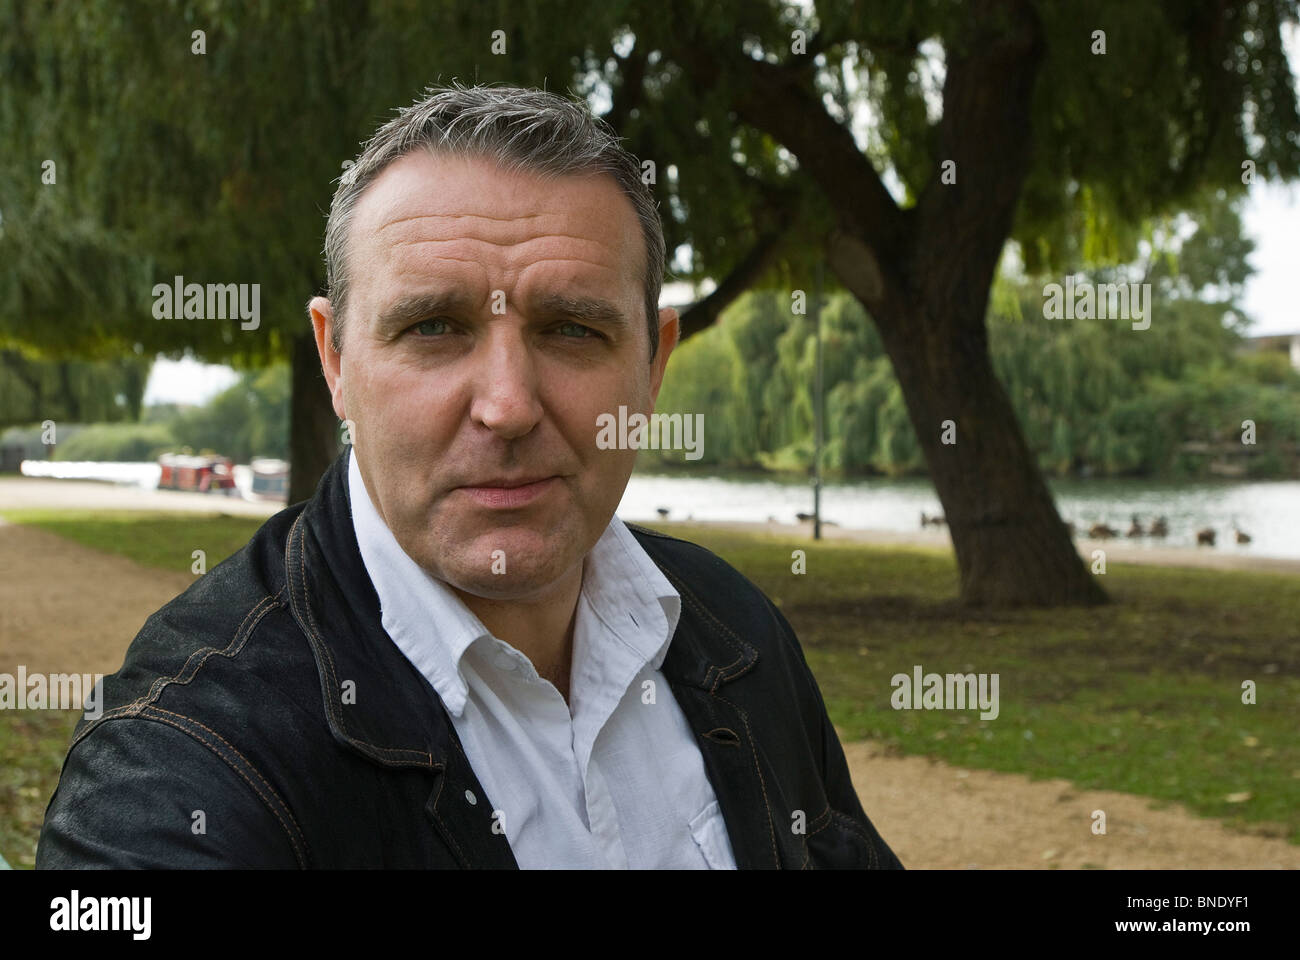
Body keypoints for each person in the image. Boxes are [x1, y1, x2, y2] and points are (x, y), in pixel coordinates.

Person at [37, 83, 902, 869]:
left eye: (570, 329)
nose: (507, 406)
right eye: (434, 327)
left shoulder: (735, 631)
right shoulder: (181, 761)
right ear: (335, 359)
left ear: (654, 364)